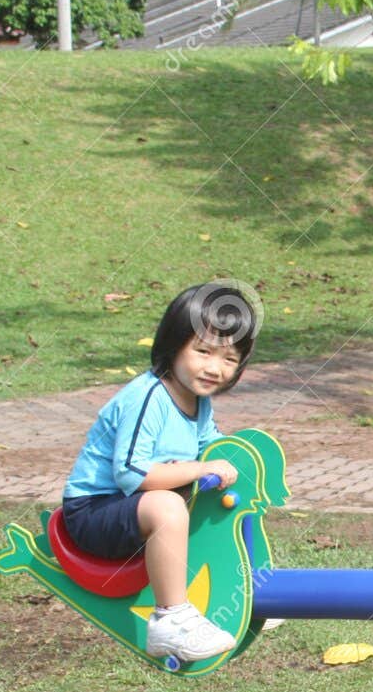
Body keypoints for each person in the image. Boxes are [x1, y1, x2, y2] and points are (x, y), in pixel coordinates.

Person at [61, 281, 259, 662]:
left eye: (229, 359)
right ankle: (170, 620)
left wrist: (231, 463)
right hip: (93, 511)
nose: (214, 368)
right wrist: (202, 467)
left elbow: (213, 448)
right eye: (202, 351)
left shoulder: (198, 402)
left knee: (223, 488)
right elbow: (133, 474)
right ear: (175, 345)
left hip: (135, 507)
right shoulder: (149, 397)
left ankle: (242, 585)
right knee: (170, 505)